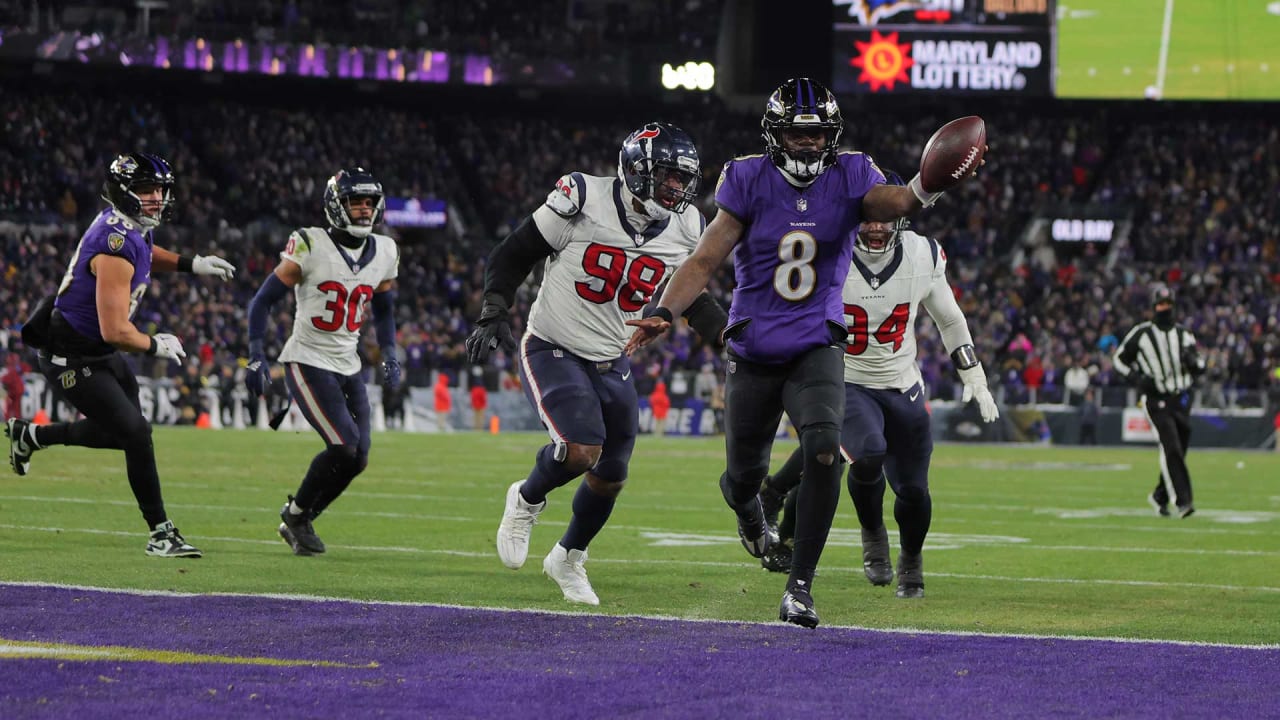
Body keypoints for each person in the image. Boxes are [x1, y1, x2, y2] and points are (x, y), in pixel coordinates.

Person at [625, 78, 983, 627]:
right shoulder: (747, 178)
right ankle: (750, 515)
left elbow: (894, 201)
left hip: (817, 341)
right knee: (744, 478)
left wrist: (923, 188)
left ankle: (800, 588)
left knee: (822, 451)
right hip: (754, 348)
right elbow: (703, 260)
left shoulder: (853, 172)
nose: (810, 145)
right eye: (798, 133)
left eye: (818, 135)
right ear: (776, 134)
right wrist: (665, 311)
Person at [466, 121, 725, 605]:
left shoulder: (687, 224)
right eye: (667, 175)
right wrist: (494, 309)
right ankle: (527, 497)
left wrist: (729, 339)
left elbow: (689, 296)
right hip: (553, 345)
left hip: (613, 359)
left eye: (682, 178)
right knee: (582, 448)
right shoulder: (582, 195)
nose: (676, 187)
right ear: (637, 170)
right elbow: (513, 252)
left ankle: (567, 556)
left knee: (611, 474)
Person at [755, 184, 1000, 600]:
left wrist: (974, 374)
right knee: (866, 452)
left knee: (914, 490)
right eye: (866, 216)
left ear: (901, 215)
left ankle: (912, 561)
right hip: (847, 377)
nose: (873, 227)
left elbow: (950, 320)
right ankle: (872, 535)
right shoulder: (826, 252)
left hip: (903, 381)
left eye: (882, 217)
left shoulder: (923, 254)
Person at [5, 152, 236, 557]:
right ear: (124, 191)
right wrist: (155, 344)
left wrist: (192, 264)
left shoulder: (131, 227)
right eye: (147, 190)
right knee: (135, 433)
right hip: (71, 354)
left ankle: (33, 435)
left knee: (128, 434)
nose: (157, 198)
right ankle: (161, 532)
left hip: (96, 348)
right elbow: (116, 331)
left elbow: (146, 252)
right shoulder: (113, 244)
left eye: (161, 190)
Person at [246, 167, 401, 555]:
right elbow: (262, 300)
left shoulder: (385, 250)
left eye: (369, 203)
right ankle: (297, 518)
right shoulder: (309, 243)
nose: (364, 210)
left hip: (348, 363)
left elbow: (384, 310)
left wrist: (391, 352)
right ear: (336, 204)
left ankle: (298, 516)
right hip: (307, 359)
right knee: (344, 445)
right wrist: (254, 354)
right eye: (355, 202)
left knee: (358, 457)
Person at [1113, 285, 1204, 518]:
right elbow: (1119, 360)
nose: (1165, 308)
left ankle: (1159, 495)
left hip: (1181, 398)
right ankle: (1183, 501)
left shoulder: (1183, 334)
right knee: (1171, 446)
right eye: (1161, 305)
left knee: (1179, 450)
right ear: (1154, 308)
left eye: (1168, 304)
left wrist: (1194, 363)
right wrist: (1138, 379)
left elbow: (1199, 365)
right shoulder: (1141, 334)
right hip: (1155, 399)